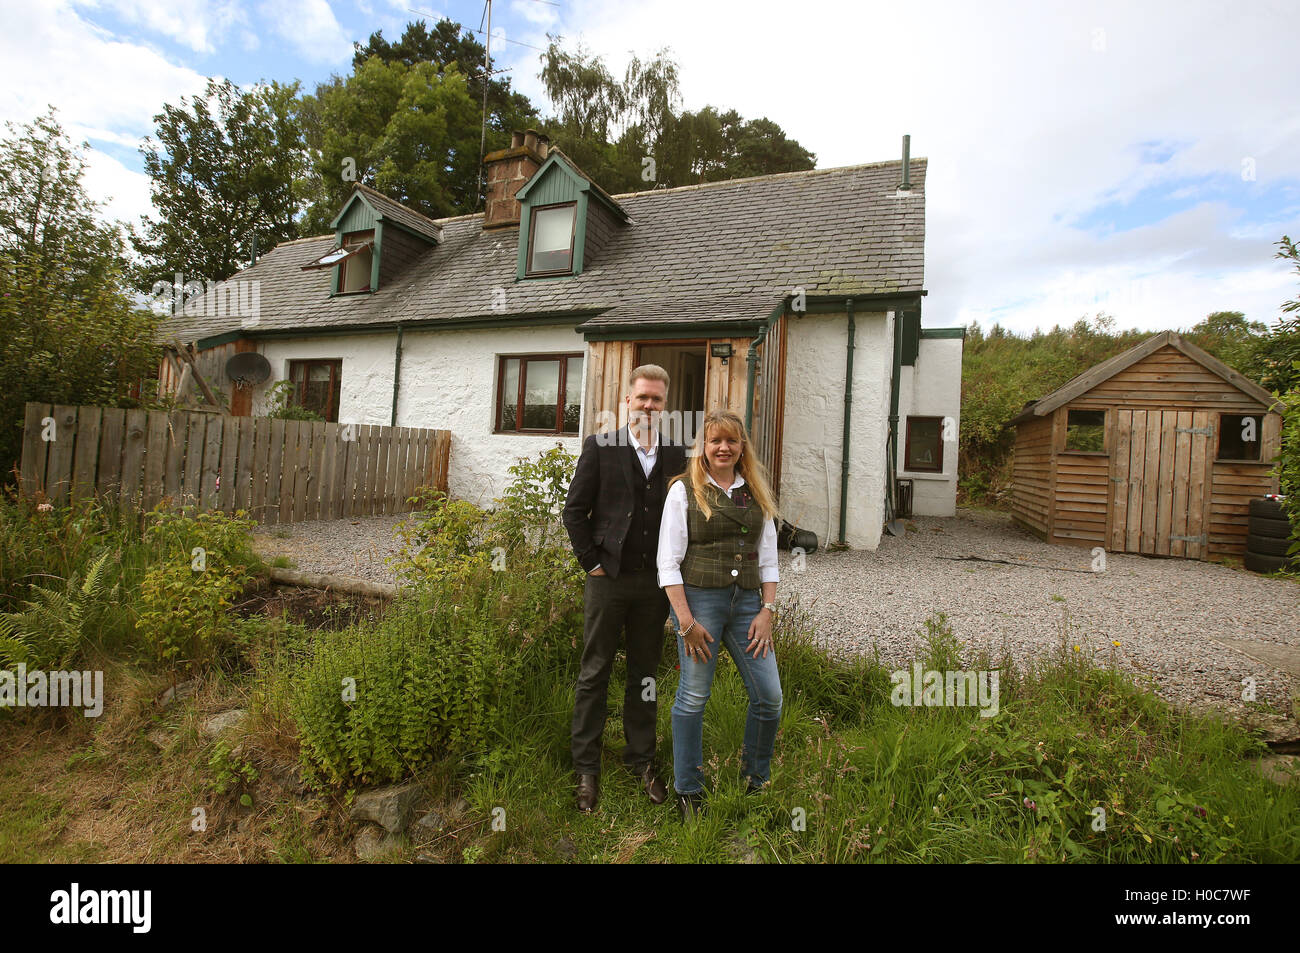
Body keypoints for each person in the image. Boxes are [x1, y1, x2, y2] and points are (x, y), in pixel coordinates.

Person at [562, 364, 687, 813]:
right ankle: (586, 769)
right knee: (594, 672)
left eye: (656, 399)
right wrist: (591, 563)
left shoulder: (677, 456)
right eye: (642, 398)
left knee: (646, 675)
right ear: (627, 402)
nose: (649, 405)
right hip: (608, 581)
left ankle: (641, 760)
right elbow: (574, 511)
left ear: (664, 404)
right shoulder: (601, 447)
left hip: (654, 587)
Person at [657, 409, 782, 821]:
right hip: (700, 604)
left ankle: (756, 779)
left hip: (748, 605)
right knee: (694, 698)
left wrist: (767, 609)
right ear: (704, 448)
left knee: (769, 698)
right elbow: (668, 563)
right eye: (715, 441)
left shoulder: (756, 493)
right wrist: (685, 622)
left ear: (741, 447)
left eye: (731, 441)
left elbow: (768, 558)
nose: (724, 448)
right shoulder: (683, 491)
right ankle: (688, 789)